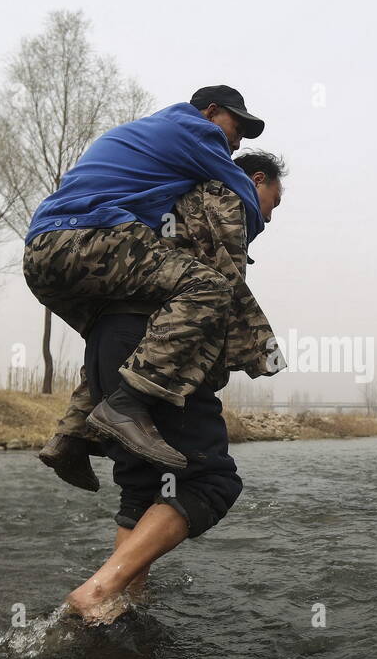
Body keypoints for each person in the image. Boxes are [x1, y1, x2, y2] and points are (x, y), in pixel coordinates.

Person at [23, 86, 280, 478]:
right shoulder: (194, 130)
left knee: (130, 326)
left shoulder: (155, 143)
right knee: (208, 287)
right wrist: (254, 223)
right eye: (237, 126)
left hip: (46, 256)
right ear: (211, 112)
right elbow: (237, 189)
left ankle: (71, 437)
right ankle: (125, 406)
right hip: (83, 236)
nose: (236, 140)